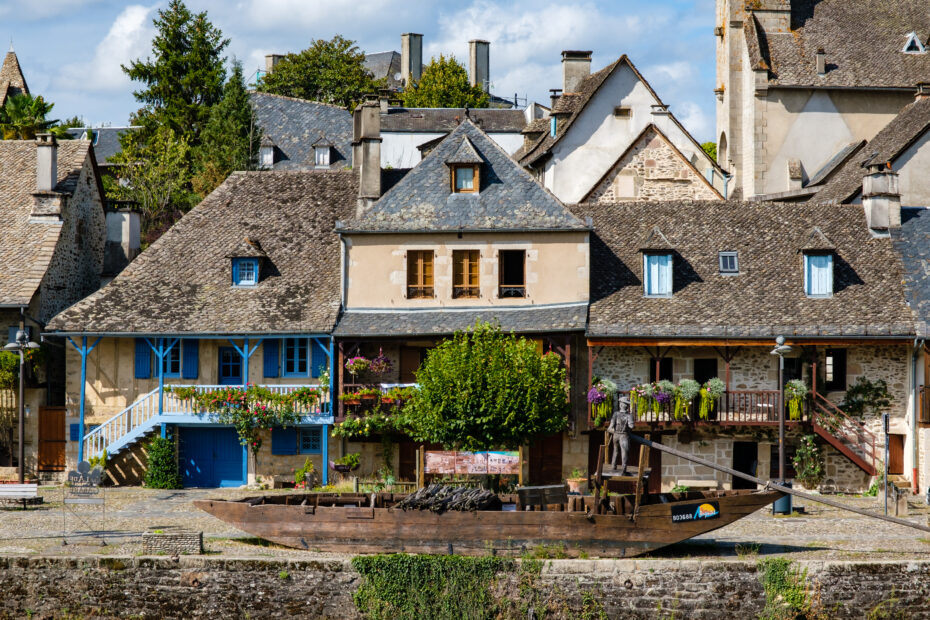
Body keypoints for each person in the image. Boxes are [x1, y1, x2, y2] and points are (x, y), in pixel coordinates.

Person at [607, 396, 635, 475]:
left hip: (616, 435)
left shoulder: (615, 414)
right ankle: (624, 468)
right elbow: (631, 426)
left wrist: (615, 432)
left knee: (615, 451)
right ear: (626, 406)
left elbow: (609, 428)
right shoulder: (629, 416)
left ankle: (613, 466)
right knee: (624, 451)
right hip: (624, 436)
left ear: (621, 405)